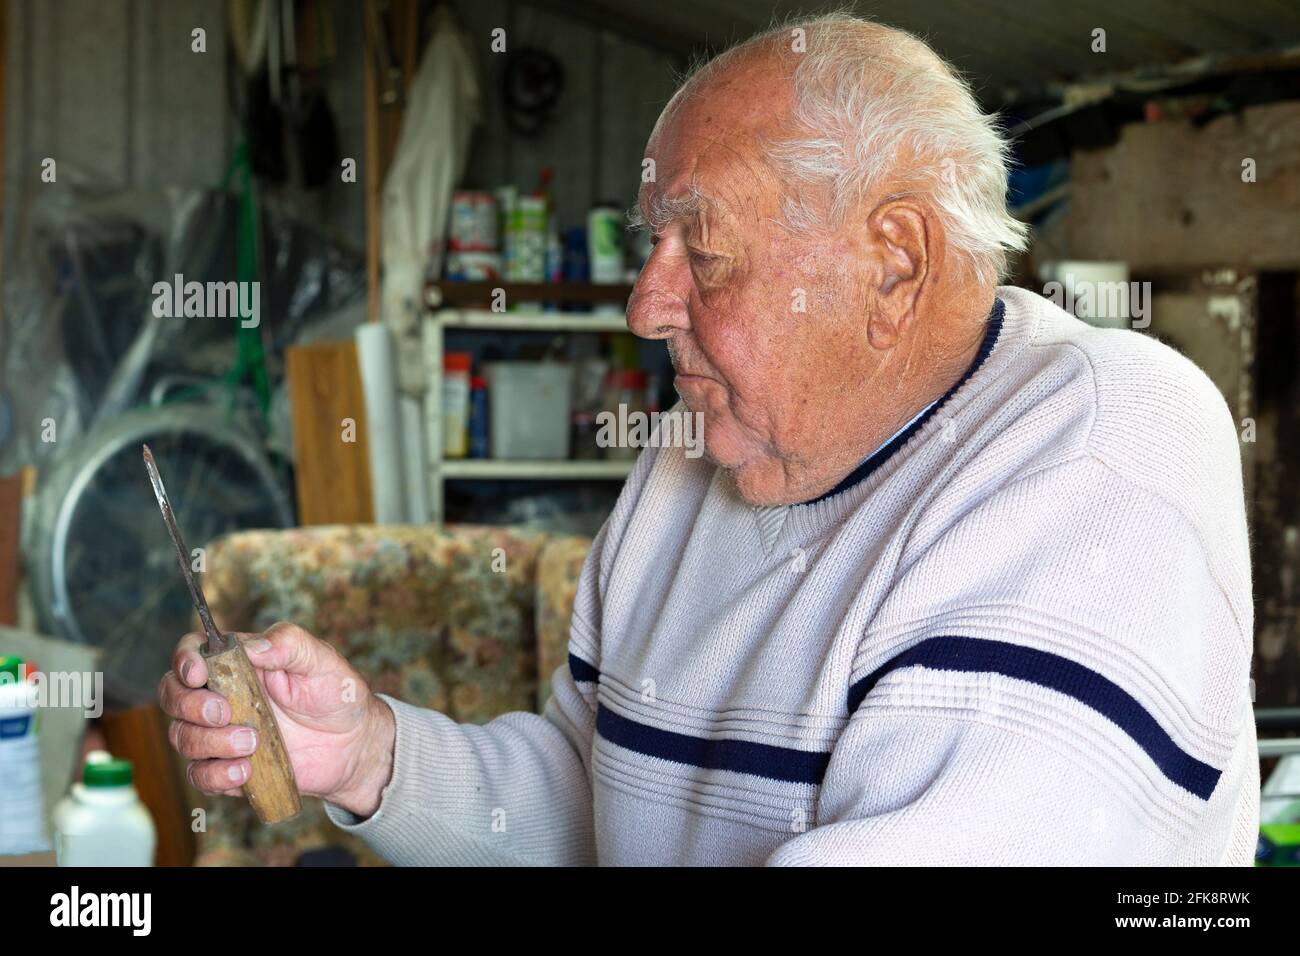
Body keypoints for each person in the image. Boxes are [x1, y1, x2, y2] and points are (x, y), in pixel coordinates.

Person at [160, 13, 1258, 865]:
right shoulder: (703, 449)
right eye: (653, 242)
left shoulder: (1098, 451)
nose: (645, 304)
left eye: (705, 247)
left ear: (895, 263)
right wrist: (369, 756)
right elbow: (593, 801)